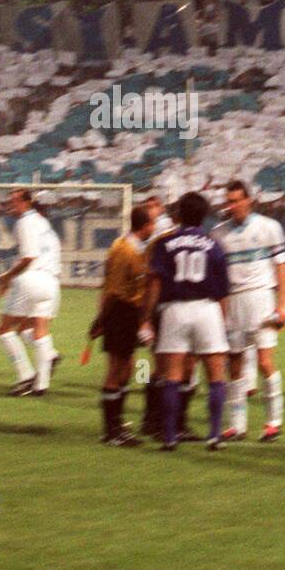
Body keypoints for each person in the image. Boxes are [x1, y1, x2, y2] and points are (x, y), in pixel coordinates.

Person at [139, 191, 230, 452]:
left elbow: (154, 283)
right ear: (204, 216)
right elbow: (223, 291)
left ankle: (169, 437)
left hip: (174, 310)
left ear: (178, 214)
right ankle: (214, 436)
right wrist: (221, 322)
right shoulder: (214, 246)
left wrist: (146, 319)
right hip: (207, 309)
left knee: (172, 376)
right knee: (215, 376)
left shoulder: (164, 244)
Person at [211, 180, 285, 443]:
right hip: (234, 302)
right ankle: (237, 425)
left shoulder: (269, 227)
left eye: (237, 200)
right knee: (234, 365)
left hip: (261, 300)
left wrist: (282, 304)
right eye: (229, 201)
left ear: (249, 200)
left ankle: (273, 423)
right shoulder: (218, 234)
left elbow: (282, 265)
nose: (233, 205)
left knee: (265, 362)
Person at [90, 204, 155, 446]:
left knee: (126, 369)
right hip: (119, 312)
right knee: (116, 370)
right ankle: (111, 430)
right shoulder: (123, 250)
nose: (154, 227)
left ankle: (118, 424)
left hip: (130, 313)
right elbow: (112, 290)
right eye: (152, 223)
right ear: (145, 226)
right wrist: (101, 320)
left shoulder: (137, 248)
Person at [0, 189, 62, 396]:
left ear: (27, 202)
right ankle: (41, 384)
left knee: (4, 330)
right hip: (51, 282)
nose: (11, 204)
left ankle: (25, 377)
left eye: (14, 200)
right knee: (38, 331)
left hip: (30, 279)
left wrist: (6, 277)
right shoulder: (45, 225)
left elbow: (29, 257)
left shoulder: (24, 222)